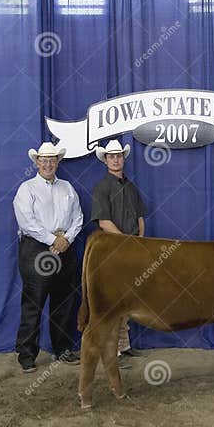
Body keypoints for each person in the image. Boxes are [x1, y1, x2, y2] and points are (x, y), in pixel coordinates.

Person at [13, 141, 83, 373]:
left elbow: (78, 217)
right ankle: (26, 353)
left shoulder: (67, 188)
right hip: (36, 249)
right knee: (33, 302)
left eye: (52, 160)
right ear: (37, 163)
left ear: (57, 163)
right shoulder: (27, 189)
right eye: (44, 160)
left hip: (65, 248)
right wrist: (53, 240)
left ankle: (62, 348)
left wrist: (67, 240)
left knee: (64, 302)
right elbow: (27, 222)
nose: (48, 164)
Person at [91, 138, 147, 358]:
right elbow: (103, 222)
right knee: (113, 301)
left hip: (132, 249)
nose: (115, 160)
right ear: (105, 160)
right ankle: (111, 348)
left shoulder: (131, 187)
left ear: (123, 158)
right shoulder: (101, 188)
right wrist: (128, 242)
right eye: (111, 156)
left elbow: (141, 217)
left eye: (118, 156)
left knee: (129, 299)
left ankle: (123, 345)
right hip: (114, 251)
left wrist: (140, 241)